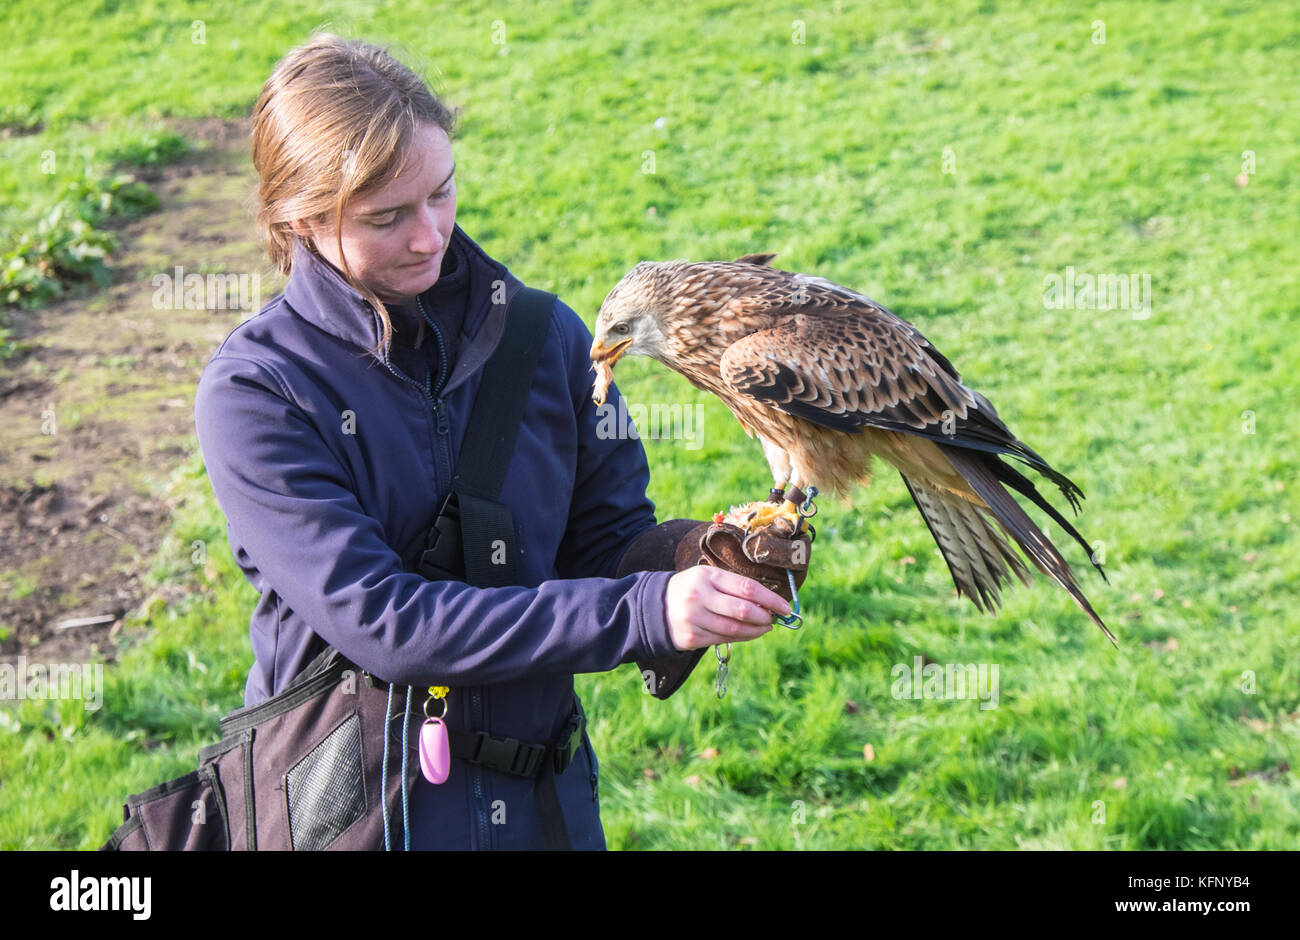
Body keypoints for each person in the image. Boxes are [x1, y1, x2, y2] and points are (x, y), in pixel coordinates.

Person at [192, 33, 794, 850]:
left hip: (544, 805)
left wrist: (710, 558)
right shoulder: (259, 391)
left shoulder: (547, 339)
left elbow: (606, 544)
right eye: (386, 216)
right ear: (300, 214)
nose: (429, 235)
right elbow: (387, 623)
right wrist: (646, 610)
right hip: (352, 812)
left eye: (441, 193)